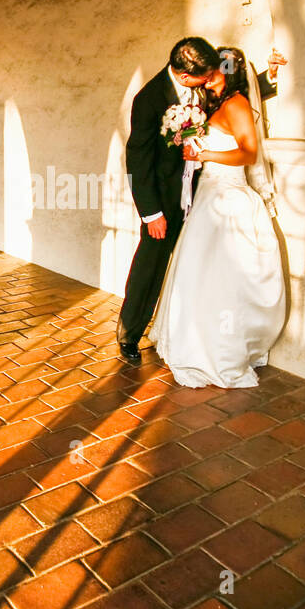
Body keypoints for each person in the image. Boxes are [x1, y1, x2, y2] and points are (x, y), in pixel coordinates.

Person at [147, 47, 287, 387]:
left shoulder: (236, 103)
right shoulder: (217, 104)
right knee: (198, 273)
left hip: (227, 196)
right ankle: (192, 339)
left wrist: (204, 151)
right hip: (209, 195)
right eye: (208, 70)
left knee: (222, 278)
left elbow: (249, 152)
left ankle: (219, 349)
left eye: (216, 70)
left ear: (229, 71)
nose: (209, 75)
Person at [117, 37, 220, 366]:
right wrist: (151, 214)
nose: (211, 80)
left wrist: (268, 78)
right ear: (186, 75)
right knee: (151, 267)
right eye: (205, 76)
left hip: (198, 195)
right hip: (162, 202)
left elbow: (233, 92)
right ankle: (129, 333)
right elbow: (137, 159)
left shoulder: (200, 87)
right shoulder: (148, 99)